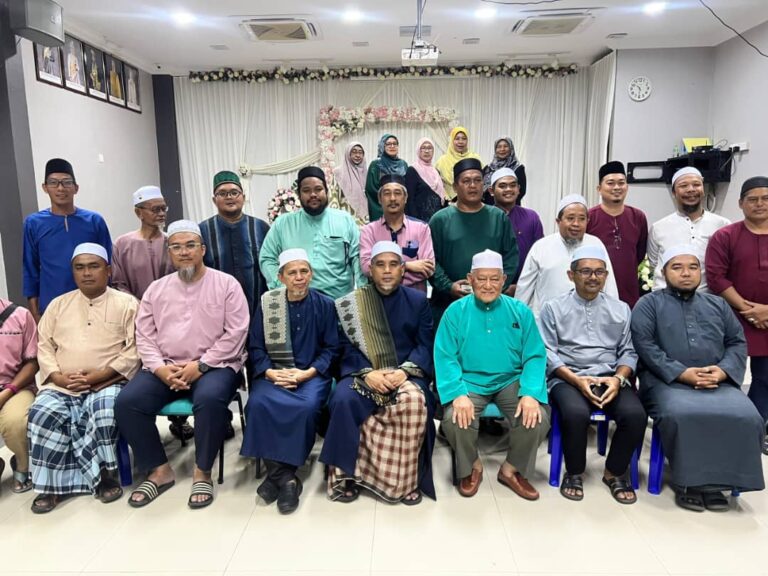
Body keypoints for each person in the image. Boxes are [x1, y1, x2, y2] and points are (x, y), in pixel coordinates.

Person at [115, 220, 249, 510]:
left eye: (190, 245)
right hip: (165, 367)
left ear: (202, 249)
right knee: (128, 401)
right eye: (176, 247)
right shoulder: (156, 290)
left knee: (210, 399)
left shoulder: (226, 285)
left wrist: (200, 365)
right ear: (169, 253)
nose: (184, 252)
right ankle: (159, 470)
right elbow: (145, 336)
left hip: (216, 366)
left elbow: (236, 333)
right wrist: (161, 369)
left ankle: (202, 472)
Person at [631, 245, 765, 511]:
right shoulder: (649, 304)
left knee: (748, 416)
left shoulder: (718, 304)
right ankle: (690, 482)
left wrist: (723, 370)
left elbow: (737, 342)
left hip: (717, 381)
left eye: (692, 267)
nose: (686, 274)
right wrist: (682, 373)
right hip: (666, 382)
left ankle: (720, 483)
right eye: (677, 267)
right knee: (683, 414)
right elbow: (645, 345)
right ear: (664, 271)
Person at [321, 241, 436, 505]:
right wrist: (365, 373)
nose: (386, 271)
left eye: (393, 265)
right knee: (342, 400)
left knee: (414, 401)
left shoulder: (418, 301)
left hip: (407, 372)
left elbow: (425, 343)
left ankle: (405, 480)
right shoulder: (352, 304)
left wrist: (405, 372)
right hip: (363, 372)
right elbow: (344, 347)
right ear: (370, 270)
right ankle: (346, 475)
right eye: (380, 265)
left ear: (403, 269)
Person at [28, 243, 139, 514]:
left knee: (103, 409)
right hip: (62, 384)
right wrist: (57, 376)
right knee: (42, 412)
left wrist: (102, 374)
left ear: (108, 270)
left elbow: (136, 348)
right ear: (73, 272)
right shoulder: (58, 305)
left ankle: (105, 476)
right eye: (80, 268)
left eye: (93, 266)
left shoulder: (127, 304)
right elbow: (44, 346)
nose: (86, 273)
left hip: (109, 381)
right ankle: (51, 486)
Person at [436, 249, 550, 499]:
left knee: (538, 417)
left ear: (503, 280)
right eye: (481, 278)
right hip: (469, 381)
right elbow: (445, 356)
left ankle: (511, 469)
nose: (488, 285)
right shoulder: (455, 312)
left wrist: (530, 393)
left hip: (510, 380)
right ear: (470, 279)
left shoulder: (520, 311)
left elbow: (534, 355)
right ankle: (471, 465)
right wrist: (457, 393)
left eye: (494, 279)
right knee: (455, 417)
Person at [539, 245, 646, 504]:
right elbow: (547, 352)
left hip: (610, 376)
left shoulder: (621, 309)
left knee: (635, 415)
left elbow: (629, 351)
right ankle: (574, 472)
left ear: (606, 276)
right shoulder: (552, 308)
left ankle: (615, 471)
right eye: (585, 271)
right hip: (568, 377)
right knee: (575, 414)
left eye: (599, 272)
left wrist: (617, 379)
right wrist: (576, 380)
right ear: (571, 274)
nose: (593, 277)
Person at [240, 249, 338, 514]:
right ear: (281, 277)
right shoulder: (268, 303)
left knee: (305, 408)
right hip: (274, 374)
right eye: (292, 273)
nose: (299, 278)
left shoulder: (325, 305)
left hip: (310, 377)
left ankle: (277, 476)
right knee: (258, 404)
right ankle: (287, 479)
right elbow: (256, 346)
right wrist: (270, 373)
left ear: (312, 274)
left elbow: (331, 348)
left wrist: (307, 373)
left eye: (304, 271)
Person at [706, 176, 768, 455]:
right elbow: (716, 277)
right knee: (728, 376)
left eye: (765, 198)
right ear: (741, 203)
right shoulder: (726, 236)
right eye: (753, 199)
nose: (759, 204)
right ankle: (727, 427)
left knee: (765, 379)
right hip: (732, 318)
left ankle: (756, 429)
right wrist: (746, 308)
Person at [428, 158, 518, 323]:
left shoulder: (498, 218)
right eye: (466, 181)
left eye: (478, 180)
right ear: (455, 186)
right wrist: (449, 286)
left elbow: (511, 257)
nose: (473, 185)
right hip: (448, 304)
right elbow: (431, 260)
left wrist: (495, 287)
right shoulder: (440, 220)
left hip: (492, 304)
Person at [23, 158, 112, 321]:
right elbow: (30, 270)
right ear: (45, 187)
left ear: (76, 188)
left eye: (66, 182)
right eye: (54, 183)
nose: (60, 188)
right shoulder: (33, 223)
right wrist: (35, 314)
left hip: (94, 305)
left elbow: (108, 266)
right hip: (52, 308)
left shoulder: (93, 221)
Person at [260, 166, 364, 300]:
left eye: (318, 189)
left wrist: (362, 292)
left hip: (340, 301)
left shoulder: (345, 220)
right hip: (298, 303)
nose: (313, 194)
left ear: (327, 191)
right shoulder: (283, 224)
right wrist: (281, 286)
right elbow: (267, 258)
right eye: (306, 190)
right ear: (299, 194)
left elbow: (357, 257)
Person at [516, 194, 617, 317]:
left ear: (587, 221)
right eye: (570, 218)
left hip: (588, 322)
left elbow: (609, 285)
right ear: (558, 221)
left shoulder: (595, 245)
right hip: (546, 323)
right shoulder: (541, 247)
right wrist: (517, 321)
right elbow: (525, 288)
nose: (576, 224)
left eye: (581, 219)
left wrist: (613, 315)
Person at [647, 167, 730, 292]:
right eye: (683, 185)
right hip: (664, 299)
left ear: (703, 189)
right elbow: (654, 263)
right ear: (674, 192)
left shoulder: (722, 225)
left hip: (706, 300)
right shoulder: (659, 227)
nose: (691, 189)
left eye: (696, 184)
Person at [199, 171, 270, 316]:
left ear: (243, 197)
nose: (229, 197)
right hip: (216, 310)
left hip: (257, 309)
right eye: (223, 193)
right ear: (214, 200)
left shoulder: (261, 227)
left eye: (234, 192)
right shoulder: (202, 231)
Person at [587, 161, 648, 308]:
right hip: (595, 291)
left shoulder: (638, 217)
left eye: (621, 183)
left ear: (627, 187)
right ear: (599, 189)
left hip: (629, 291)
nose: (616, 187)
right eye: (610, 183)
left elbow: (639, 254)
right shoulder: (589, 217)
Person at [360, 174, 435, 292]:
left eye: (398, 193)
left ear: (405, 198)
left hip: (414, 299)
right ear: (379, 199)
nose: (393, 198)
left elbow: (428, 269)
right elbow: (366, 268)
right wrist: (409, 266)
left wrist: (383, 272)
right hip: (380, 300)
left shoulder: (421, 228)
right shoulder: (369, 231)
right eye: (387, 193)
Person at [0, 298, 38, 494]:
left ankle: (23, 465)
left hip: (14, 386)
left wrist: (8, 392)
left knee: (16, 422)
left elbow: (32, 363)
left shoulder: (19, 315)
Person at [486, 168, 544, 293]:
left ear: (518, 189)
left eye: (513, 185)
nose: (508, 189)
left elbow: (540, 254)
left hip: (526, 288)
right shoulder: (484, 217)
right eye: (502, 186)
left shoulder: (531, 217)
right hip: (489, 288)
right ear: (491, 191)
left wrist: (521, 286)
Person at [112, 186, 174, 300]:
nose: (161, 214)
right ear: (138, 212)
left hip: (169, 308)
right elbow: (117, 284)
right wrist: (137, 305)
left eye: (163, 208)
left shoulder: (172, 241)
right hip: (133, 310)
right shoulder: (122, 244)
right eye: (155, 209)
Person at [365, 134, 408, 221]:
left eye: (395, 144)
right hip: (380, 208)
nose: (392, 146)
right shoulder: (376, 165)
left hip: (401, 207)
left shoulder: (403, 164)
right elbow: (371, 189)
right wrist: (387, 202)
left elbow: (407, 186)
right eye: (388, 144)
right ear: (382, 146)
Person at [435, 126, 482, 201]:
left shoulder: (475, 158)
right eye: (457, 139)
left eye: (464, 138)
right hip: (449, 202)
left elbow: (482, 180)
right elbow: (437, 185)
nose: (460, 142)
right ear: (452, 141)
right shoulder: (442, 161)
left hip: (472, 201)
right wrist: (446, 198)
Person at [404, 137, 446, 222]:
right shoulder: (412, 170)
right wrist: (414, 222)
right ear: (418, 150)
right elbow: (409, 199)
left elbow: (441, 197)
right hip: (419, 219)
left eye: (430, 148)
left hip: (436, 218)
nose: (427, 151)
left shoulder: (436, 171)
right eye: (423, 148)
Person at [482, 136, 528, 202]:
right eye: (499, 147)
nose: (502, 149)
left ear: (511, 148)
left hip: (510, 207)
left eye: (505, 146)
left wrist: (506, 204)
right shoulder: (488, 168)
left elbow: (521, 191)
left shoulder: (518, 168)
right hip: (489, 208)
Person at [333, 142, 369, 221]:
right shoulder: (338, 173)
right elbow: (334, 198)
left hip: (366, 218)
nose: (357, 155)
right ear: (348, 153)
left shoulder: (366, 172)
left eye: (360, 152)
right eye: (354, 152)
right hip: (345, 216)